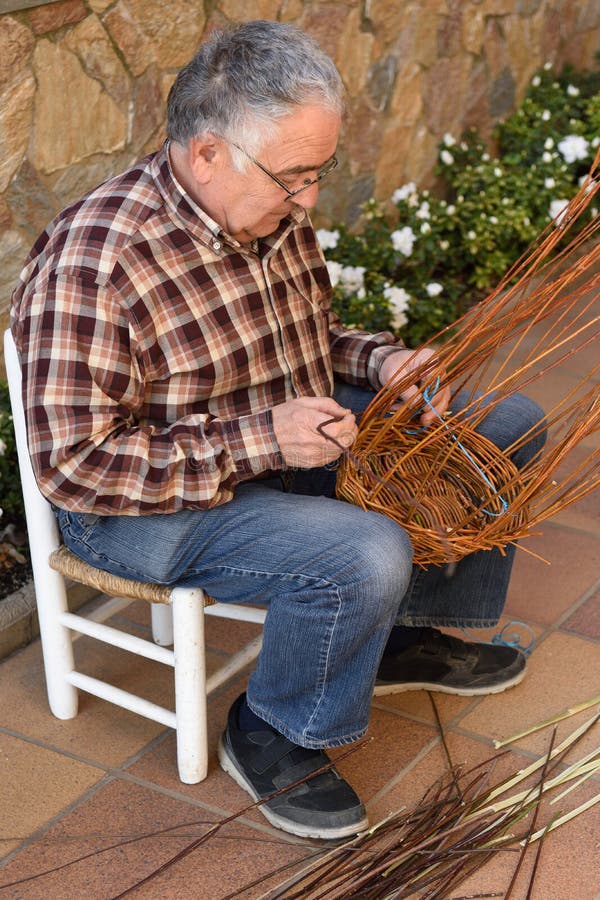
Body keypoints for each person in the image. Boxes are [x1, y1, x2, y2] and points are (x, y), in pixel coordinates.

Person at [11, 20, 544, 841]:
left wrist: (385, 364)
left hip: (282, 446)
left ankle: (398, 637)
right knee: (364, 551)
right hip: (141, 511)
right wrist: (261, 441)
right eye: (295, 177)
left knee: (499, 429)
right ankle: (272, 731)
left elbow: (313, 343)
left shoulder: (268, 213)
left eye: (317, 174)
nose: (309, 201)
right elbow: (76, 467)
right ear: (208, 153)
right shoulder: (99, 261)